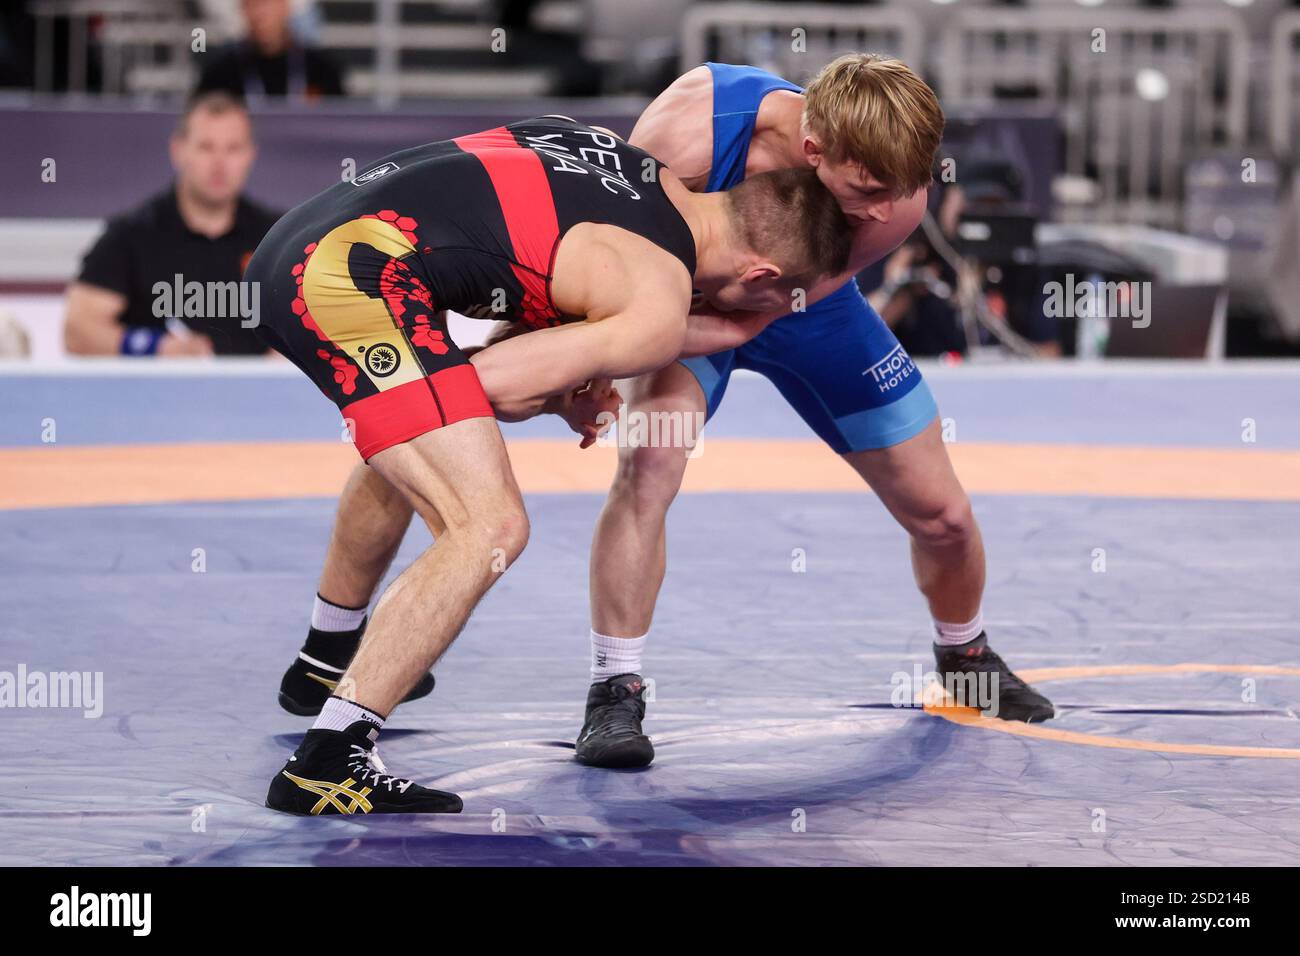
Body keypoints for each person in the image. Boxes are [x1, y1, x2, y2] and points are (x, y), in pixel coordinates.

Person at [254, 115, 853, 813]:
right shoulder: (657, 305)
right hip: (345, 282)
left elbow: (502, 244)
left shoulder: (614, 153)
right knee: (490, 527)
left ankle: (325, 659)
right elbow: (492, 384)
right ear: (761, 275)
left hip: (296, 244)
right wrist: (554, 394)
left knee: (424, 439)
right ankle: (328, 759)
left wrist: (557, 373)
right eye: (784, 301)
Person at [568, 55, 1056, 769]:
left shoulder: (899, 194)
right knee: (647, 467)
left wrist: (713, 325)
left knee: (943, 515)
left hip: (807, 307)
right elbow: (609, 256)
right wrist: (603, 357)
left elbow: (779, 298)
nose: (884, 212)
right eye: (866, 191)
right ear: (813, 150)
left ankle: (965, 654)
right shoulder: (691, 129)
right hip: (684, 299)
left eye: (897, 190)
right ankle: (614, 690)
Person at [64, 92, 277, 357]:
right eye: (206, 147)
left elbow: (317, 318)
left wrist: (286, 360)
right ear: (178, 151)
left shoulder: (277, 237)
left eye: (233, 148)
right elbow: (78, 329)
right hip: (157, 384)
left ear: (250, 155)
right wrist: (157, 348)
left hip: (259, 385)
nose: (219, 163)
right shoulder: (131, 235)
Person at [196, 0, 344, 102]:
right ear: (242, 10)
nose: (260, 14)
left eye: (267, 3)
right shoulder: (221, 73)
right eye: (252, 5)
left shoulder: (321, 69)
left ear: (286, 7)